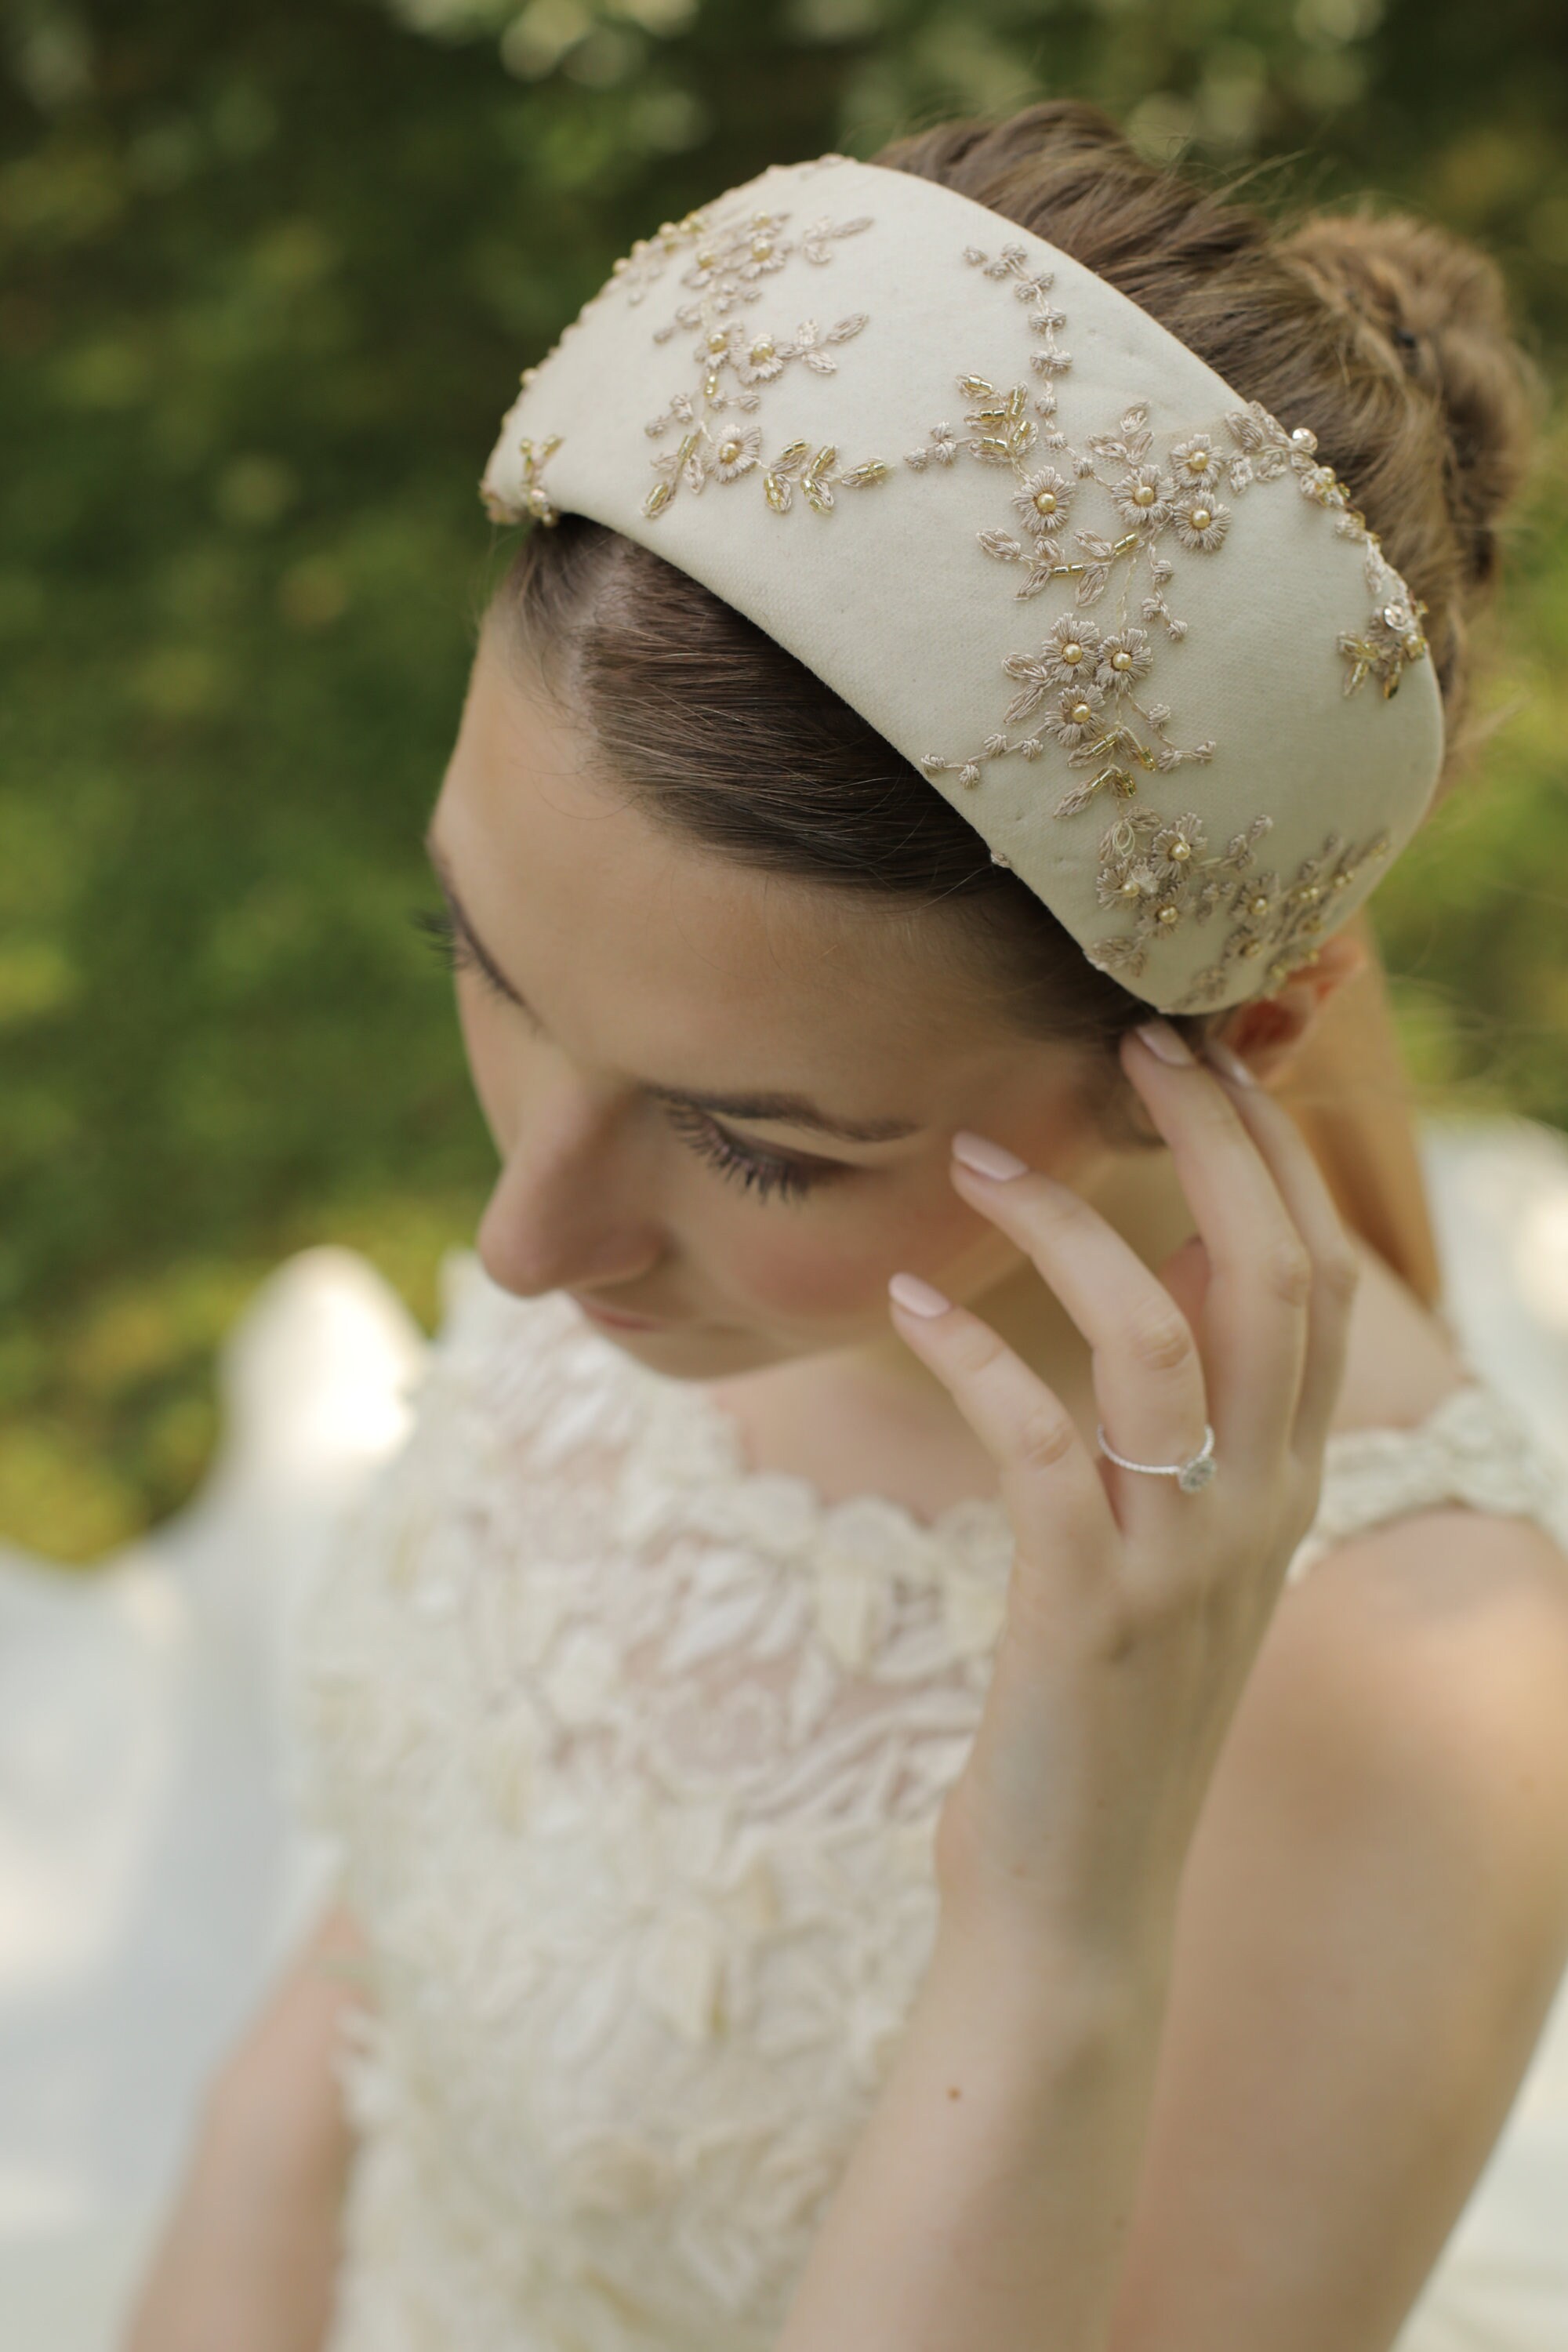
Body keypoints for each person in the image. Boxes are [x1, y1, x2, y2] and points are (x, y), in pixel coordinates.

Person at [122, 100, 1568, 2352]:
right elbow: (353, 2026)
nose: (522, 1250)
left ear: (1231, 1039)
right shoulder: (643, 1271)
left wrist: (1058, 1934)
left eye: (759, 1144)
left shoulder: (1410, 1697)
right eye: (487, 969)